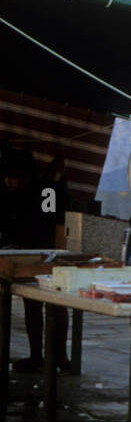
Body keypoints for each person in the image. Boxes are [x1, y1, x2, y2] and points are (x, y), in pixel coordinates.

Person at [1, 149, 69, 372]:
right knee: (32, 306)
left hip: (47, 254)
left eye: (14, 177)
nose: (9, 181)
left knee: (57, 305)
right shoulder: (6, 191)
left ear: (28, 176)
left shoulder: (48, 191)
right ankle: (36, 356)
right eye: (7, 177)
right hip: (17, 257)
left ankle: (60, 357)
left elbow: (51, 223)